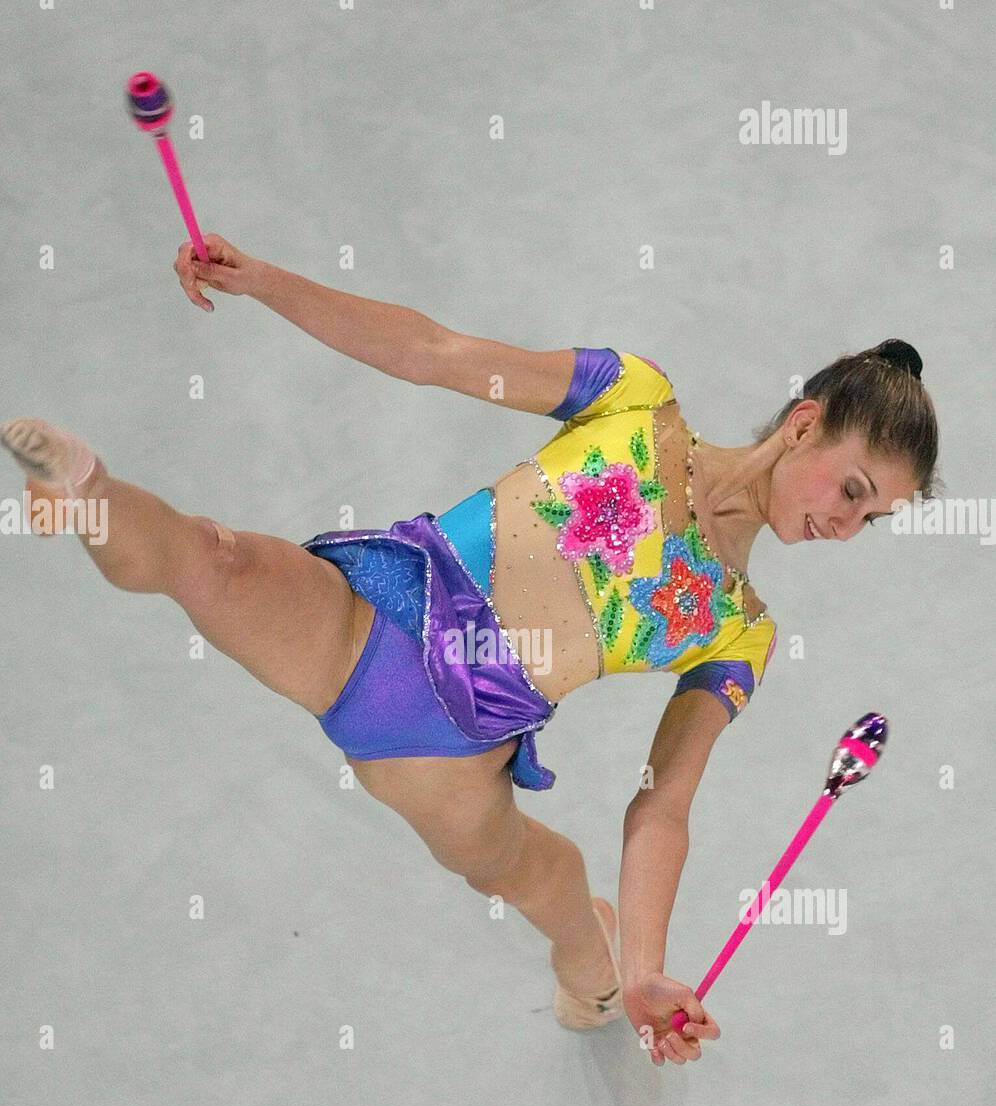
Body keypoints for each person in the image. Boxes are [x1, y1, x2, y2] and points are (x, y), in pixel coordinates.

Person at [1, 234, 940, 1064]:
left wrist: (651, 971)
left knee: (531, 878)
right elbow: (436, 354)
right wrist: (265, 282)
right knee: (214, 562)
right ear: (806, 421)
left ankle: (595, 967)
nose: (846, 525)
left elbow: (664, 806)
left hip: (451, 747)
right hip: (386, 604)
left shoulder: (738, 629)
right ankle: (88, 489)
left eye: (874, 517)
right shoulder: (635, 401)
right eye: (853, 490)